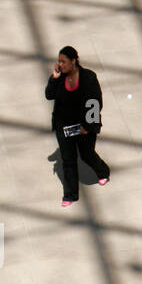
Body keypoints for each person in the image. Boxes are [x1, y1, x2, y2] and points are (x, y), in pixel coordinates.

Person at [45, 45, 110, 207]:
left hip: (84, 126)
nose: (60, 65)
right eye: (59, 61)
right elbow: (49, 95)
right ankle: (70, 195)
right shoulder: (59, 78)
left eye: (63, 61)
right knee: (68, 160)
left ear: (73, 61)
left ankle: (103, 172)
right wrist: (53, 79)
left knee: (87, 154)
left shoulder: (88, 77)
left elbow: (95, 102)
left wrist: (88, 126)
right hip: (64, 127)